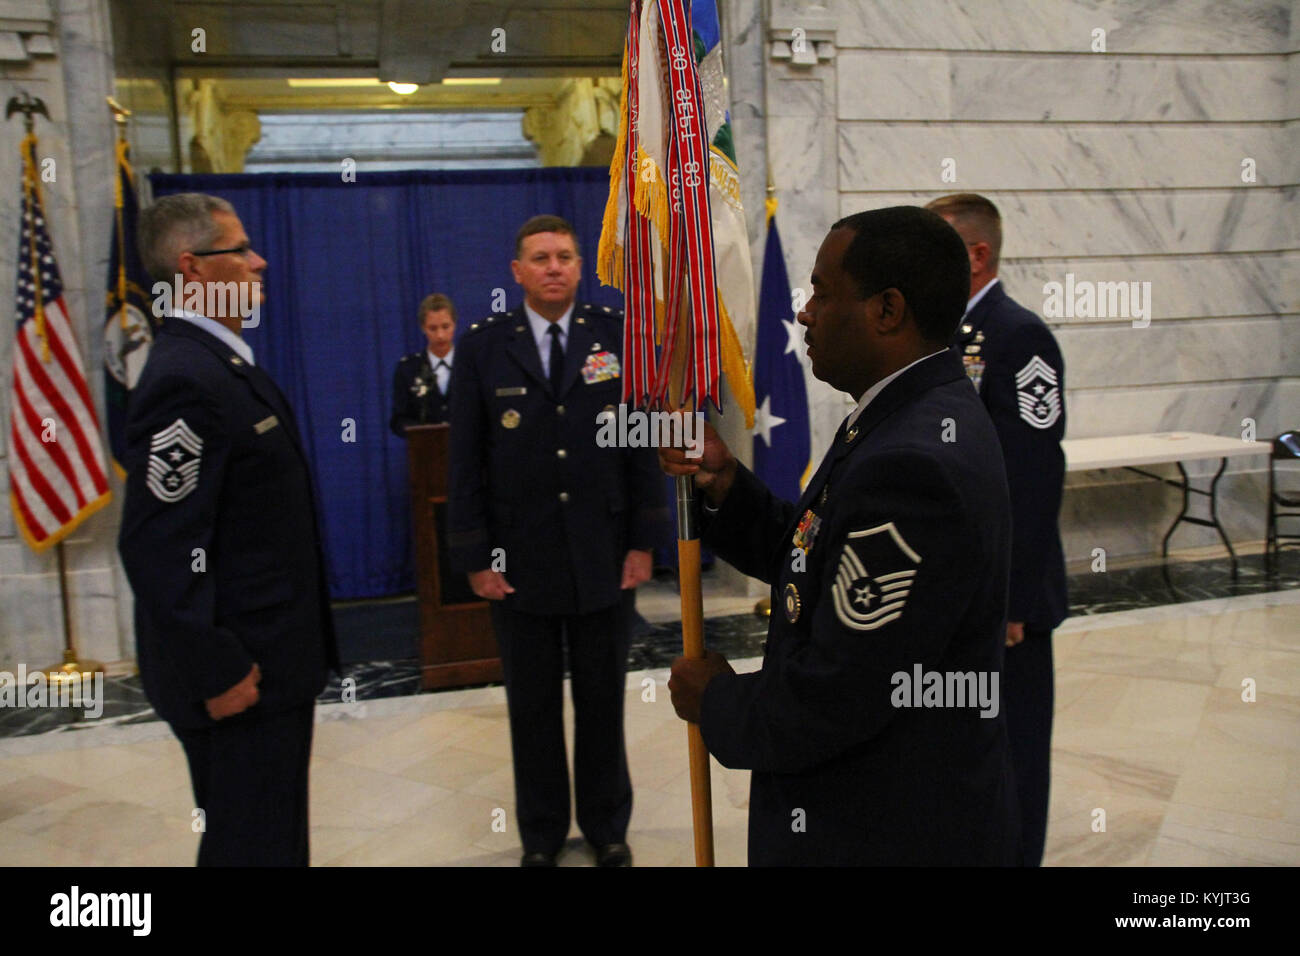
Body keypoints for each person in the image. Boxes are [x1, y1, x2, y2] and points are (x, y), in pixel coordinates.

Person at [662, 206, 1021, 865]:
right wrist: (723, 483)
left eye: (823, 292)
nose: (804, 314)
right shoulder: (900, 415)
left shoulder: (912, 461)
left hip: (882, 829)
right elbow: (818, 567)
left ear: (886, 310)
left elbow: (843, 691)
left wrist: (718, 701)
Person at [119, 192, 339, 866]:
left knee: (270, 839)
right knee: (250, 847)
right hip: (239, 672)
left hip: (269, 661)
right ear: (192, 268)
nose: (258, 261)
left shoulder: (223, 362)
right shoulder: (185, 379)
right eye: (238, 250)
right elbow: (158, 545)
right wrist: (217, 668)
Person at [447, 214, 665, 867]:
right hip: (519, 562)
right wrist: (476, 557)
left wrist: (642, 541)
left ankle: (606, 827)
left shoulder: (615, 336)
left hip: (602, 553)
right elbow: (465, 463)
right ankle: (541, 834)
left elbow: (638, 446)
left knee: (602, 702)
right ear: (517, 272)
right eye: (540, 258)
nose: (554, 268)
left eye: (565, 256)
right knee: (532, 707)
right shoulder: (484, 347)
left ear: (580, 265)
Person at [926, 193, 1067, 866]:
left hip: (1008, 598)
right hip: (959, 590)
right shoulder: (945, 335)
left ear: (977, 254)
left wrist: (1011, 598)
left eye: (939, 244)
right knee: (966, 753)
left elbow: (1036, 474)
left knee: (1014, 753)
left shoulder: (1019, 336)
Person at [390, 293, 457, 436]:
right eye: (433, 328)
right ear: (423, 328)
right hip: (425, 452)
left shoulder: (470, 365)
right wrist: (423, 432)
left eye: (446, 327)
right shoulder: (408, 369)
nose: (440, 335)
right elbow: (399, 420)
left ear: (454, 324)